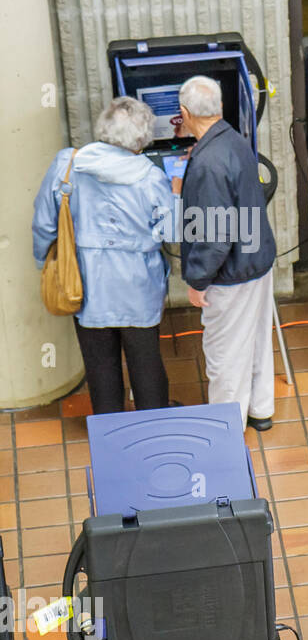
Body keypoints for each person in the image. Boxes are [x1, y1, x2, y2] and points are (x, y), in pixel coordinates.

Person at [32, 97, 173, 414]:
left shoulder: (67, 165)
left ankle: (111, 438)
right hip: (139, 288)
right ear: (142, 139)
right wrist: (176, 194)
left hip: (87, 284)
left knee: (100, 367)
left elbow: (43, 224)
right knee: (146, 363)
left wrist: (47, 265)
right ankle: (156, 430)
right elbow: (171, 232)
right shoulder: (151, 177)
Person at [176, 75, 277, 431]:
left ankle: (227, 428)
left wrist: (197, 280)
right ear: (219, 107)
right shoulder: (234, 140)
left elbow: (213, 237)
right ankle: (260, 410)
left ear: (184, 113)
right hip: (257, 260)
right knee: (256, 342)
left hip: (229, 274)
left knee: (224, 356)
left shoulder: (207, 164)